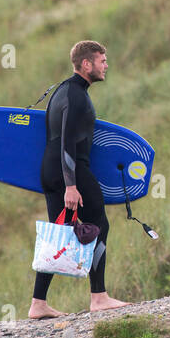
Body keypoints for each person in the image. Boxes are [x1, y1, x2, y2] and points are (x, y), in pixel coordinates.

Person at [32, 41, 126, 318]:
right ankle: (99, 298)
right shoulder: (74, 95)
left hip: (50, 171)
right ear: (87, 64)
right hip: (70, 171)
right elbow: (67, 143)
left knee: (58, 232)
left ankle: (38, 303)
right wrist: (71, 185)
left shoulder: (62, 90)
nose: (106, 65)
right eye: (102, 60)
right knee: (100, 224)